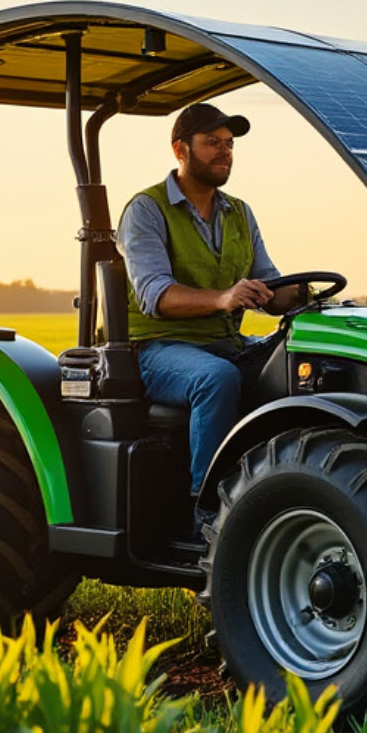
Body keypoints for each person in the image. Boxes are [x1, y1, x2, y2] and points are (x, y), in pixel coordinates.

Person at [117, 102, 306, 524]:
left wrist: (299, 296)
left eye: (229, 144)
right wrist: (223, 298)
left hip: (226, 343)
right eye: (212, 143)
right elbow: (155, 295)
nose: (224, 152)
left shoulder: (239, 212)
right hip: (157, 349)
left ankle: (280, 498)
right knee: (215, 378)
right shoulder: (146, 210)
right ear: (180, 150)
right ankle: (209, 512)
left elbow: (269, 284)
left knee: (295, 366)